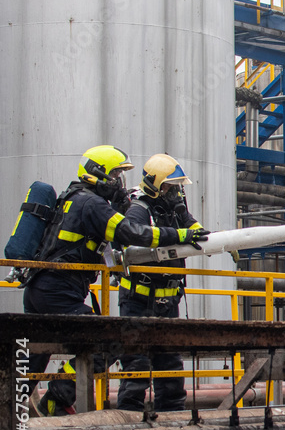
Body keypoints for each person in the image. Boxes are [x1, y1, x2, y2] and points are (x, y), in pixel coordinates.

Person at [24, 145, 208, 416]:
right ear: (98, 174)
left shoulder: (74, 197)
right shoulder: (93, 204)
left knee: (32, 360)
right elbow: (130, 232)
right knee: (106, 340)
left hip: (42, 288)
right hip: (59, 290)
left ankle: (12, 413)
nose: (119, 182)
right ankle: (56, 397)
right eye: (115, 175)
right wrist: (178, 236)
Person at [116, 154, 205, 413]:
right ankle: (128, 423)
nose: (176, 193)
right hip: (139, 301)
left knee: (171, 367)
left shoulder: (175, 211)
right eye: (171, 186)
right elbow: (138, 239)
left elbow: (196, 229)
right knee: (137, 365)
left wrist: (224, 242)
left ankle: (171, 425)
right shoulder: (138, 209)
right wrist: (180, 235)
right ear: (156, 185)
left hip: (168, 301)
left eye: (178, 187)